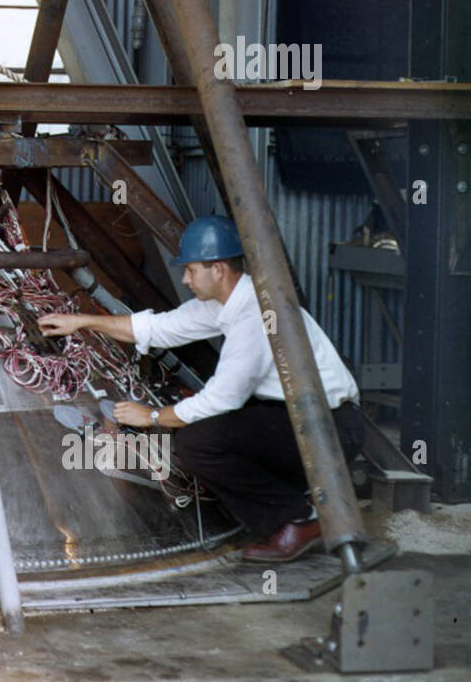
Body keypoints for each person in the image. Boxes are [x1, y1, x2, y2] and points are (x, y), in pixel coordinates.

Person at [37, 215, 365, 563]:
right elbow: (157, 328)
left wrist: (152, 416)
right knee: (215, 432)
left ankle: (297, 521)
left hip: (328, 429)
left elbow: (224, 397)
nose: (185, 279)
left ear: (218, 269)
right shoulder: (227, 302)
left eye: (191, 270)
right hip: (301, 418)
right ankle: (299, 505)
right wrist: (83, 322)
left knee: (199, 443)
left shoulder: (256, 314)